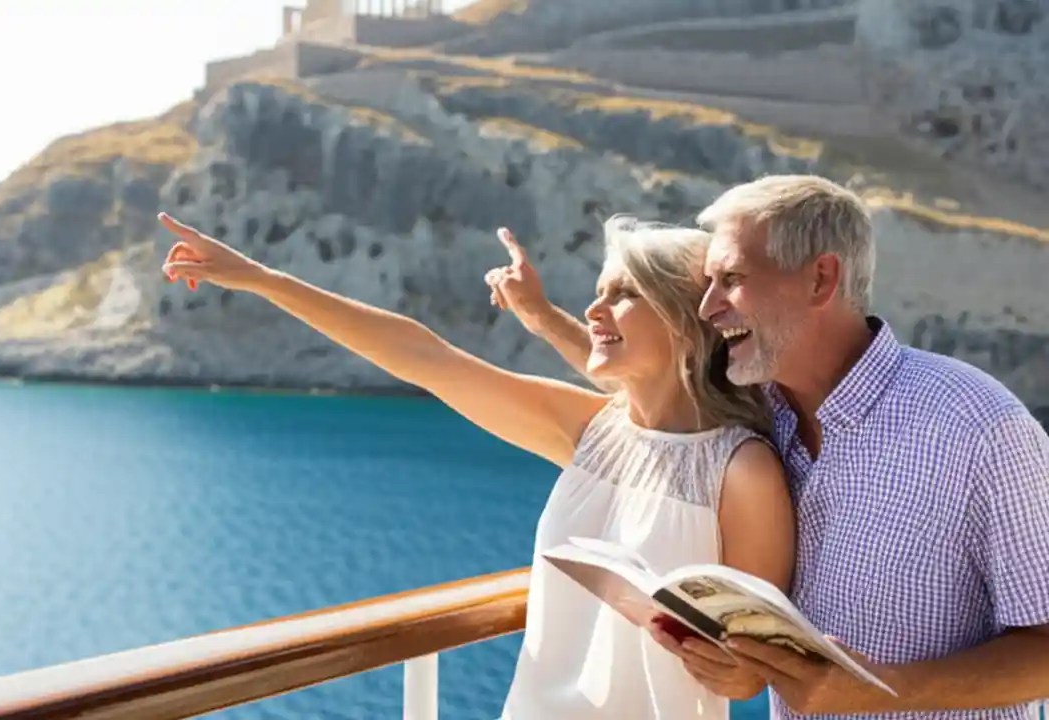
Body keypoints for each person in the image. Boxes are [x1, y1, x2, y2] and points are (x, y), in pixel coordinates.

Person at [159, 211, 796, 720]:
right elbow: (424, 357)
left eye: (625, 294)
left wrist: (733, 666)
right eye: (598, 292)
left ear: (689, 322)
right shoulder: (592, 433)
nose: (596, 309)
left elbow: (750, 673)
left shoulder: (742, 472)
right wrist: (260, 277)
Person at [487, 174, 1049, 719]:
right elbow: (653, 371)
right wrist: (542, 318)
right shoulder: (754, 409)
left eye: (730, 279)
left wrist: (882, 692)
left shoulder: (979, 428)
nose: (708, 308)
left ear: (820, 280)